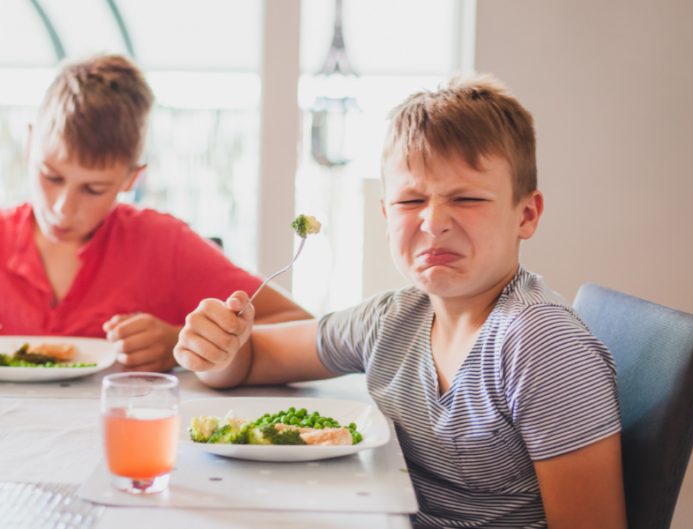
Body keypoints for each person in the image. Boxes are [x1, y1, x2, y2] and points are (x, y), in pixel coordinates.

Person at [174, 75, 627, 528]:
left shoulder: (541, 346)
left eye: (466, 198)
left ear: (525, 214)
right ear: (387, 216)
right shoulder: (393, 318)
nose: (433, 223)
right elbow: (251, 359)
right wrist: (218, 348)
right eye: (411, 201)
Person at [0, 54, 311, 372]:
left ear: (131, 179)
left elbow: (300, 326)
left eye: (94, 188)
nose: (64, 207)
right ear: (30, 146)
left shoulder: (164, 245)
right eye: (51, 176)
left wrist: (182, 344)